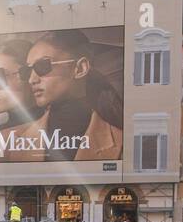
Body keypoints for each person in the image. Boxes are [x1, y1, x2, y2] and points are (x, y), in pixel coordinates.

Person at [24, 29, 123, 162]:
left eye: (42, 66)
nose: (31, 80)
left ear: (81, 68)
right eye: (27, 70)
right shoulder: (9, 140)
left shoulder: (122, 141)